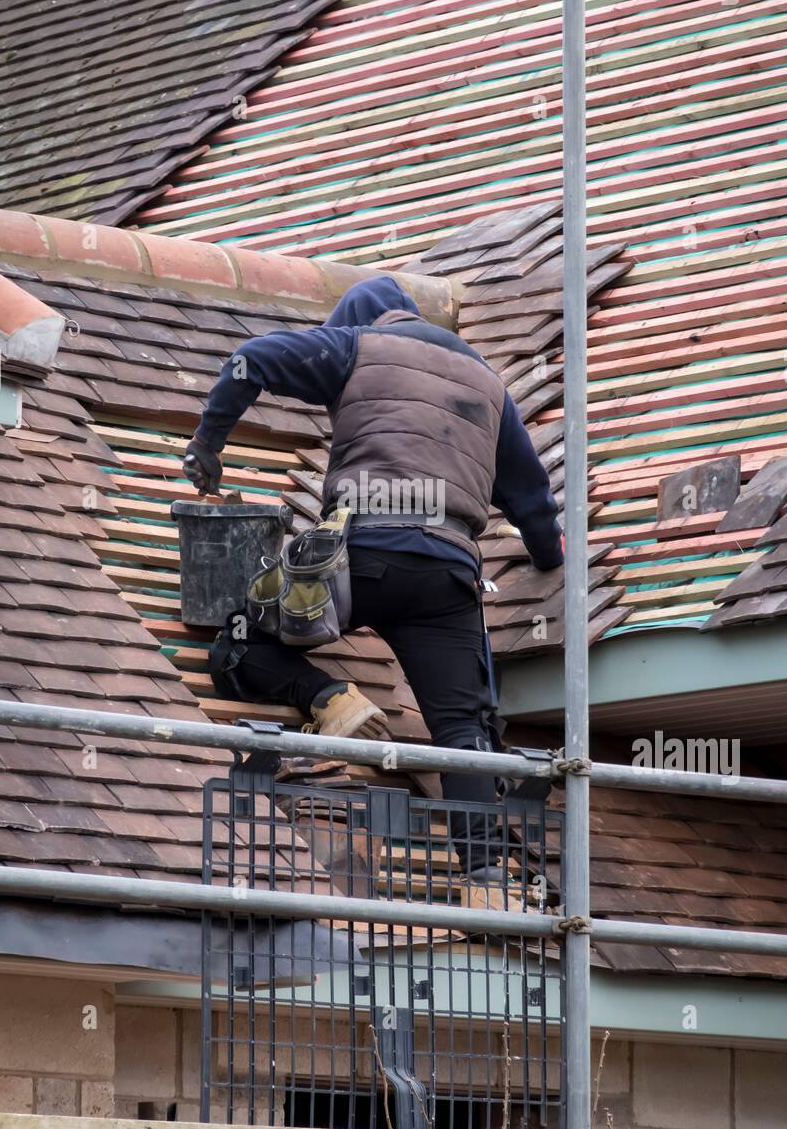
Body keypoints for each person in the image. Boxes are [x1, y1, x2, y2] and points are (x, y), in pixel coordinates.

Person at [183, 276, 563, 879]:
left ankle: (327, 697)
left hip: (363, 559)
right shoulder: (489, 383)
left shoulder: (353, 346)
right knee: (463, 728)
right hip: (447, 572)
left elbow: (249, 360)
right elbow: (531, 497)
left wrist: (208, 443)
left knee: (237, 642)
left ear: (354, 322)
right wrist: (548, 560)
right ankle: (485, 870)